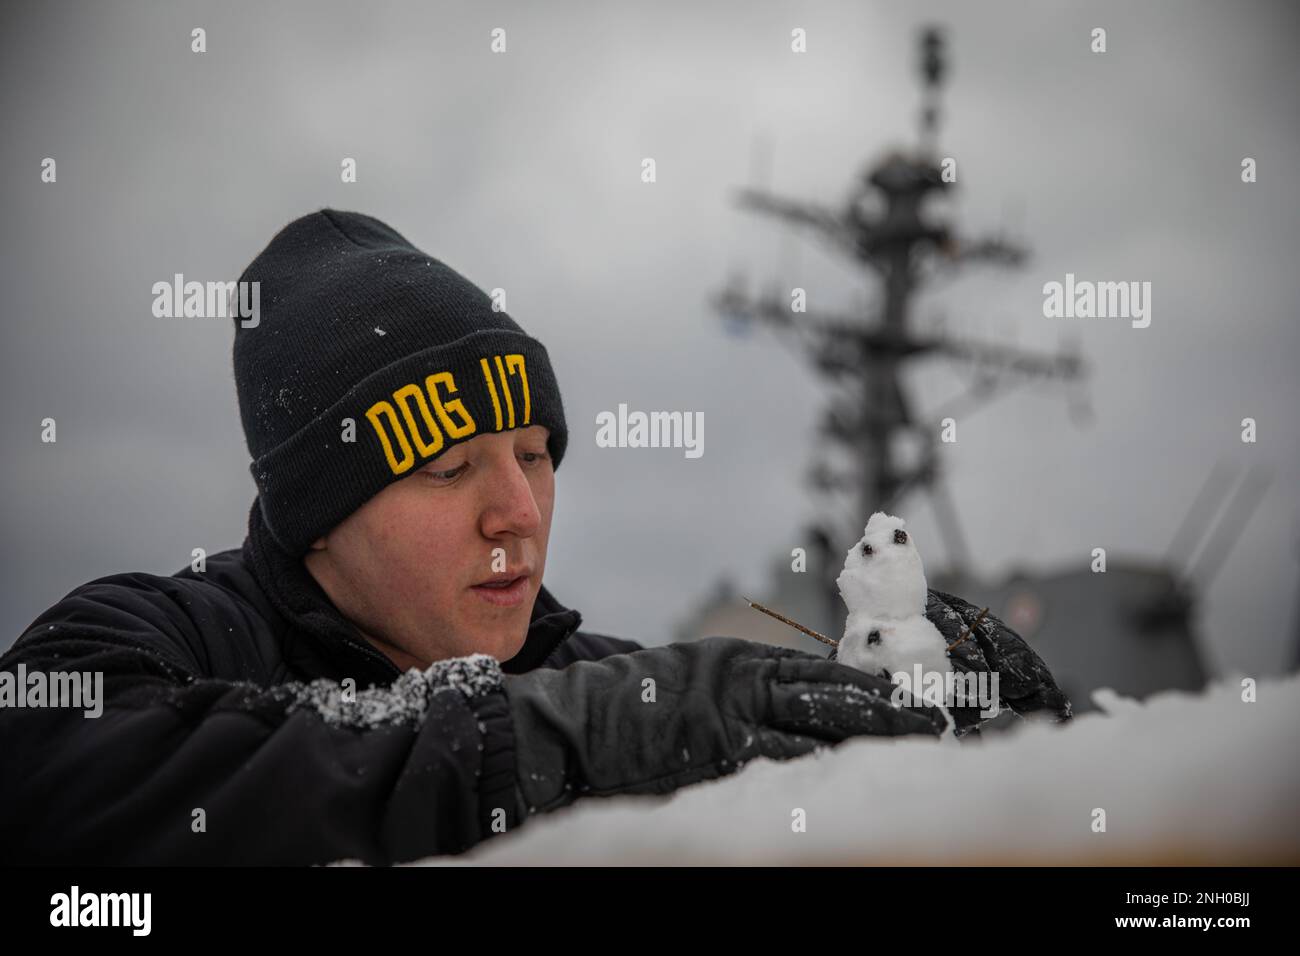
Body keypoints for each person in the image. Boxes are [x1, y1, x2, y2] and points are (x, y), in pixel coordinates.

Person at [0, 210, 1070, 866]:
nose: (517, 508)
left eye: (536, 453)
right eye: (449, 464)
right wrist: (545, 745)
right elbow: (48, 785)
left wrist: (949, 724)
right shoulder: (164, 635)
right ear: (316, 513)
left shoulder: (599, 685)